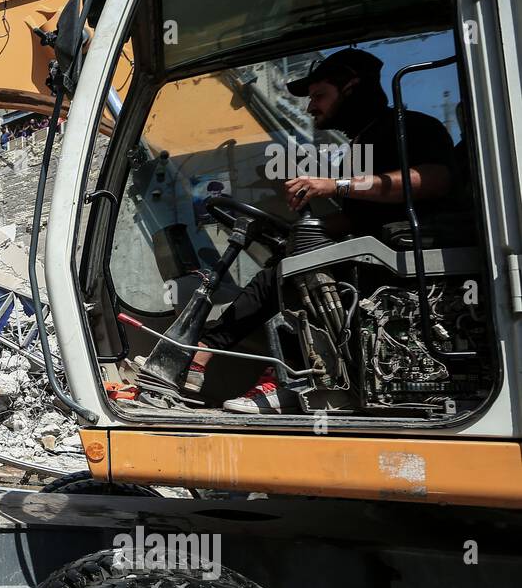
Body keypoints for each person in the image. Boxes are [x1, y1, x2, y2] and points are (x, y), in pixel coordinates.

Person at [184, 48, 457, 414]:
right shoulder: (361, 144)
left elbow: (436, 180)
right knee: (285, 264)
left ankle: (292, 380)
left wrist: (336, 185)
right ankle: (205, 355)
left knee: (300, 274)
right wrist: (295, 229)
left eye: (319, 96)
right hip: (375, 251)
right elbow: (359, 218)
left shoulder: (412, 128)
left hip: (411, 261)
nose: (312, 108)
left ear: (351, 88)